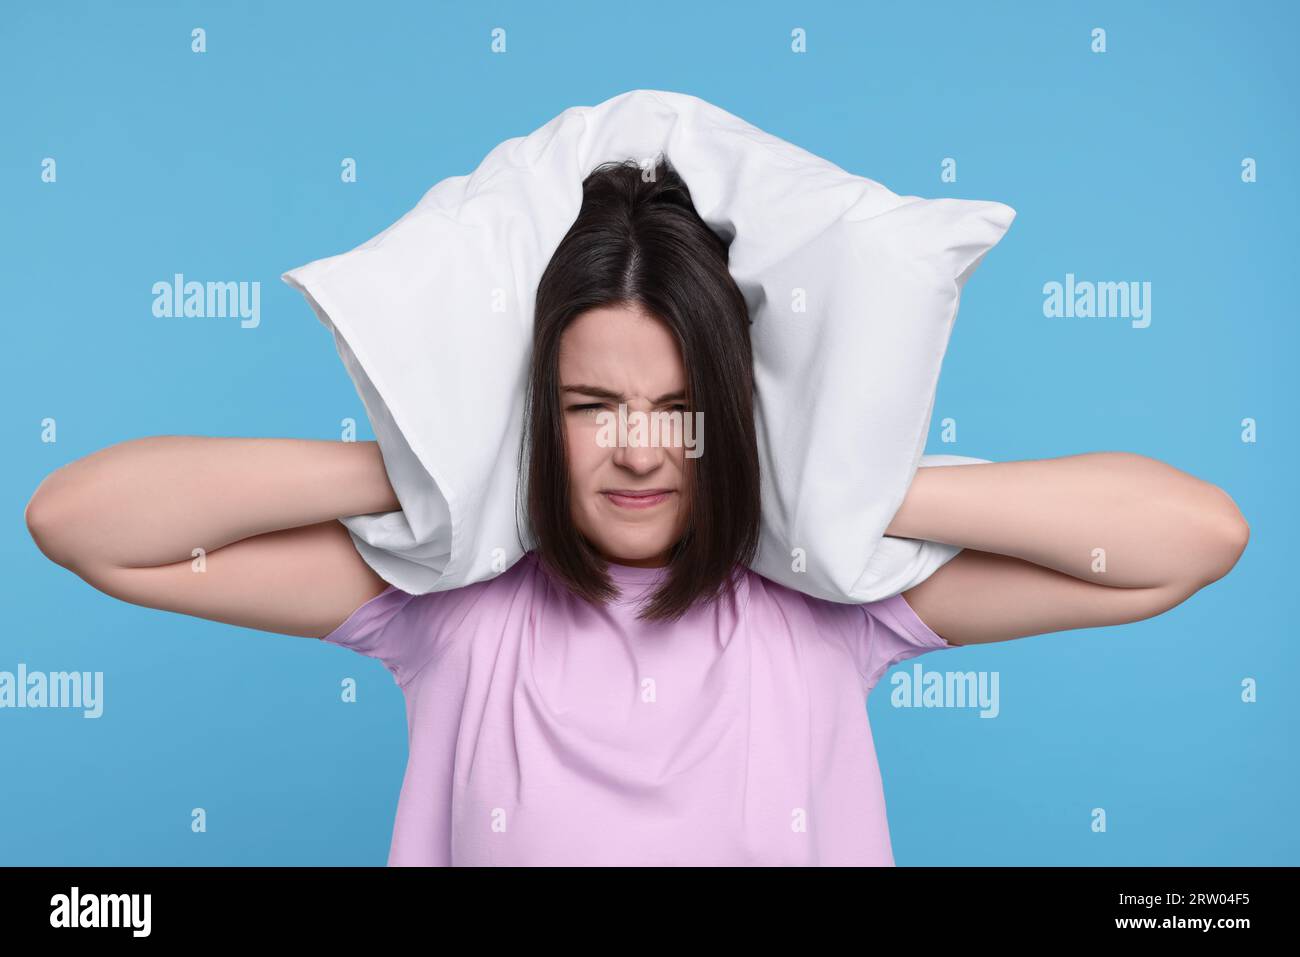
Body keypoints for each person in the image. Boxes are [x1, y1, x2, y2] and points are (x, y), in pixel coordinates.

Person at [23, 159, 1249, 866]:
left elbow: (1192, 540)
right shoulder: (447, 610)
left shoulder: (830, 609)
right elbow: (85, 522)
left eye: (677, 407)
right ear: (534, 414)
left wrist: (827, 479)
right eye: (590, 404)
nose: (637, 451)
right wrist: (439, 464)